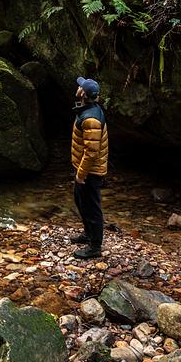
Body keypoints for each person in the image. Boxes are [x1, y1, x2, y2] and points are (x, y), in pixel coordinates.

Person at [70, 76, 109, 259]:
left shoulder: (91, 119)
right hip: (85, 169)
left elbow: (91, 152)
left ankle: (95, 247)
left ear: (83, 93)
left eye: (80, 87)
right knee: (80, 200)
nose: (77, 88)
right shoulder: (88, 109)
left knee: (92, 208)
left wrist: (81, 174)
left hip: (90, 171)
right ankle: (88, 234)